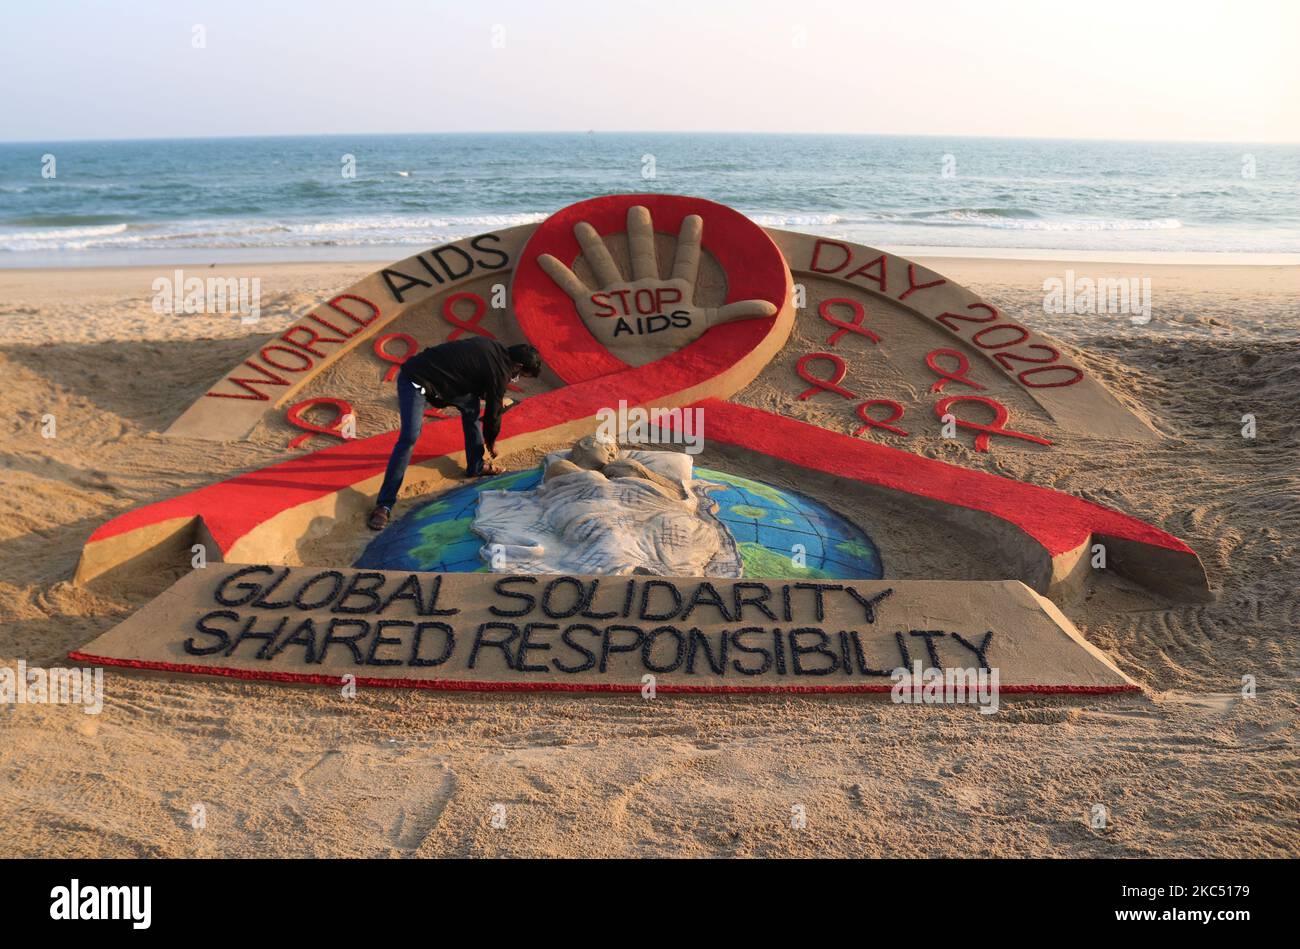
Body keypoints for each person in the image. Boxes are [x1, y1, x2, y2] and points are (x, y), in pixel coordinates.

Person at [367, 338, 542, 530]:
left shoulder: (494, 349)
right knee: (409, 438)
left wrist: (493, 399)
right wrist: (491, 442)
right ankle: (384, 505)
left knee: (471, 409)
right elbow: (493, 412)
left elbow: (477, 382)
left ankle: (475, 465)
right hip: (415, 381)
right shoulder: (500, 371)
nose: (516, 378)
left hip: (447, 385)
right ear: (518, 365)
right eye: (521, 374)